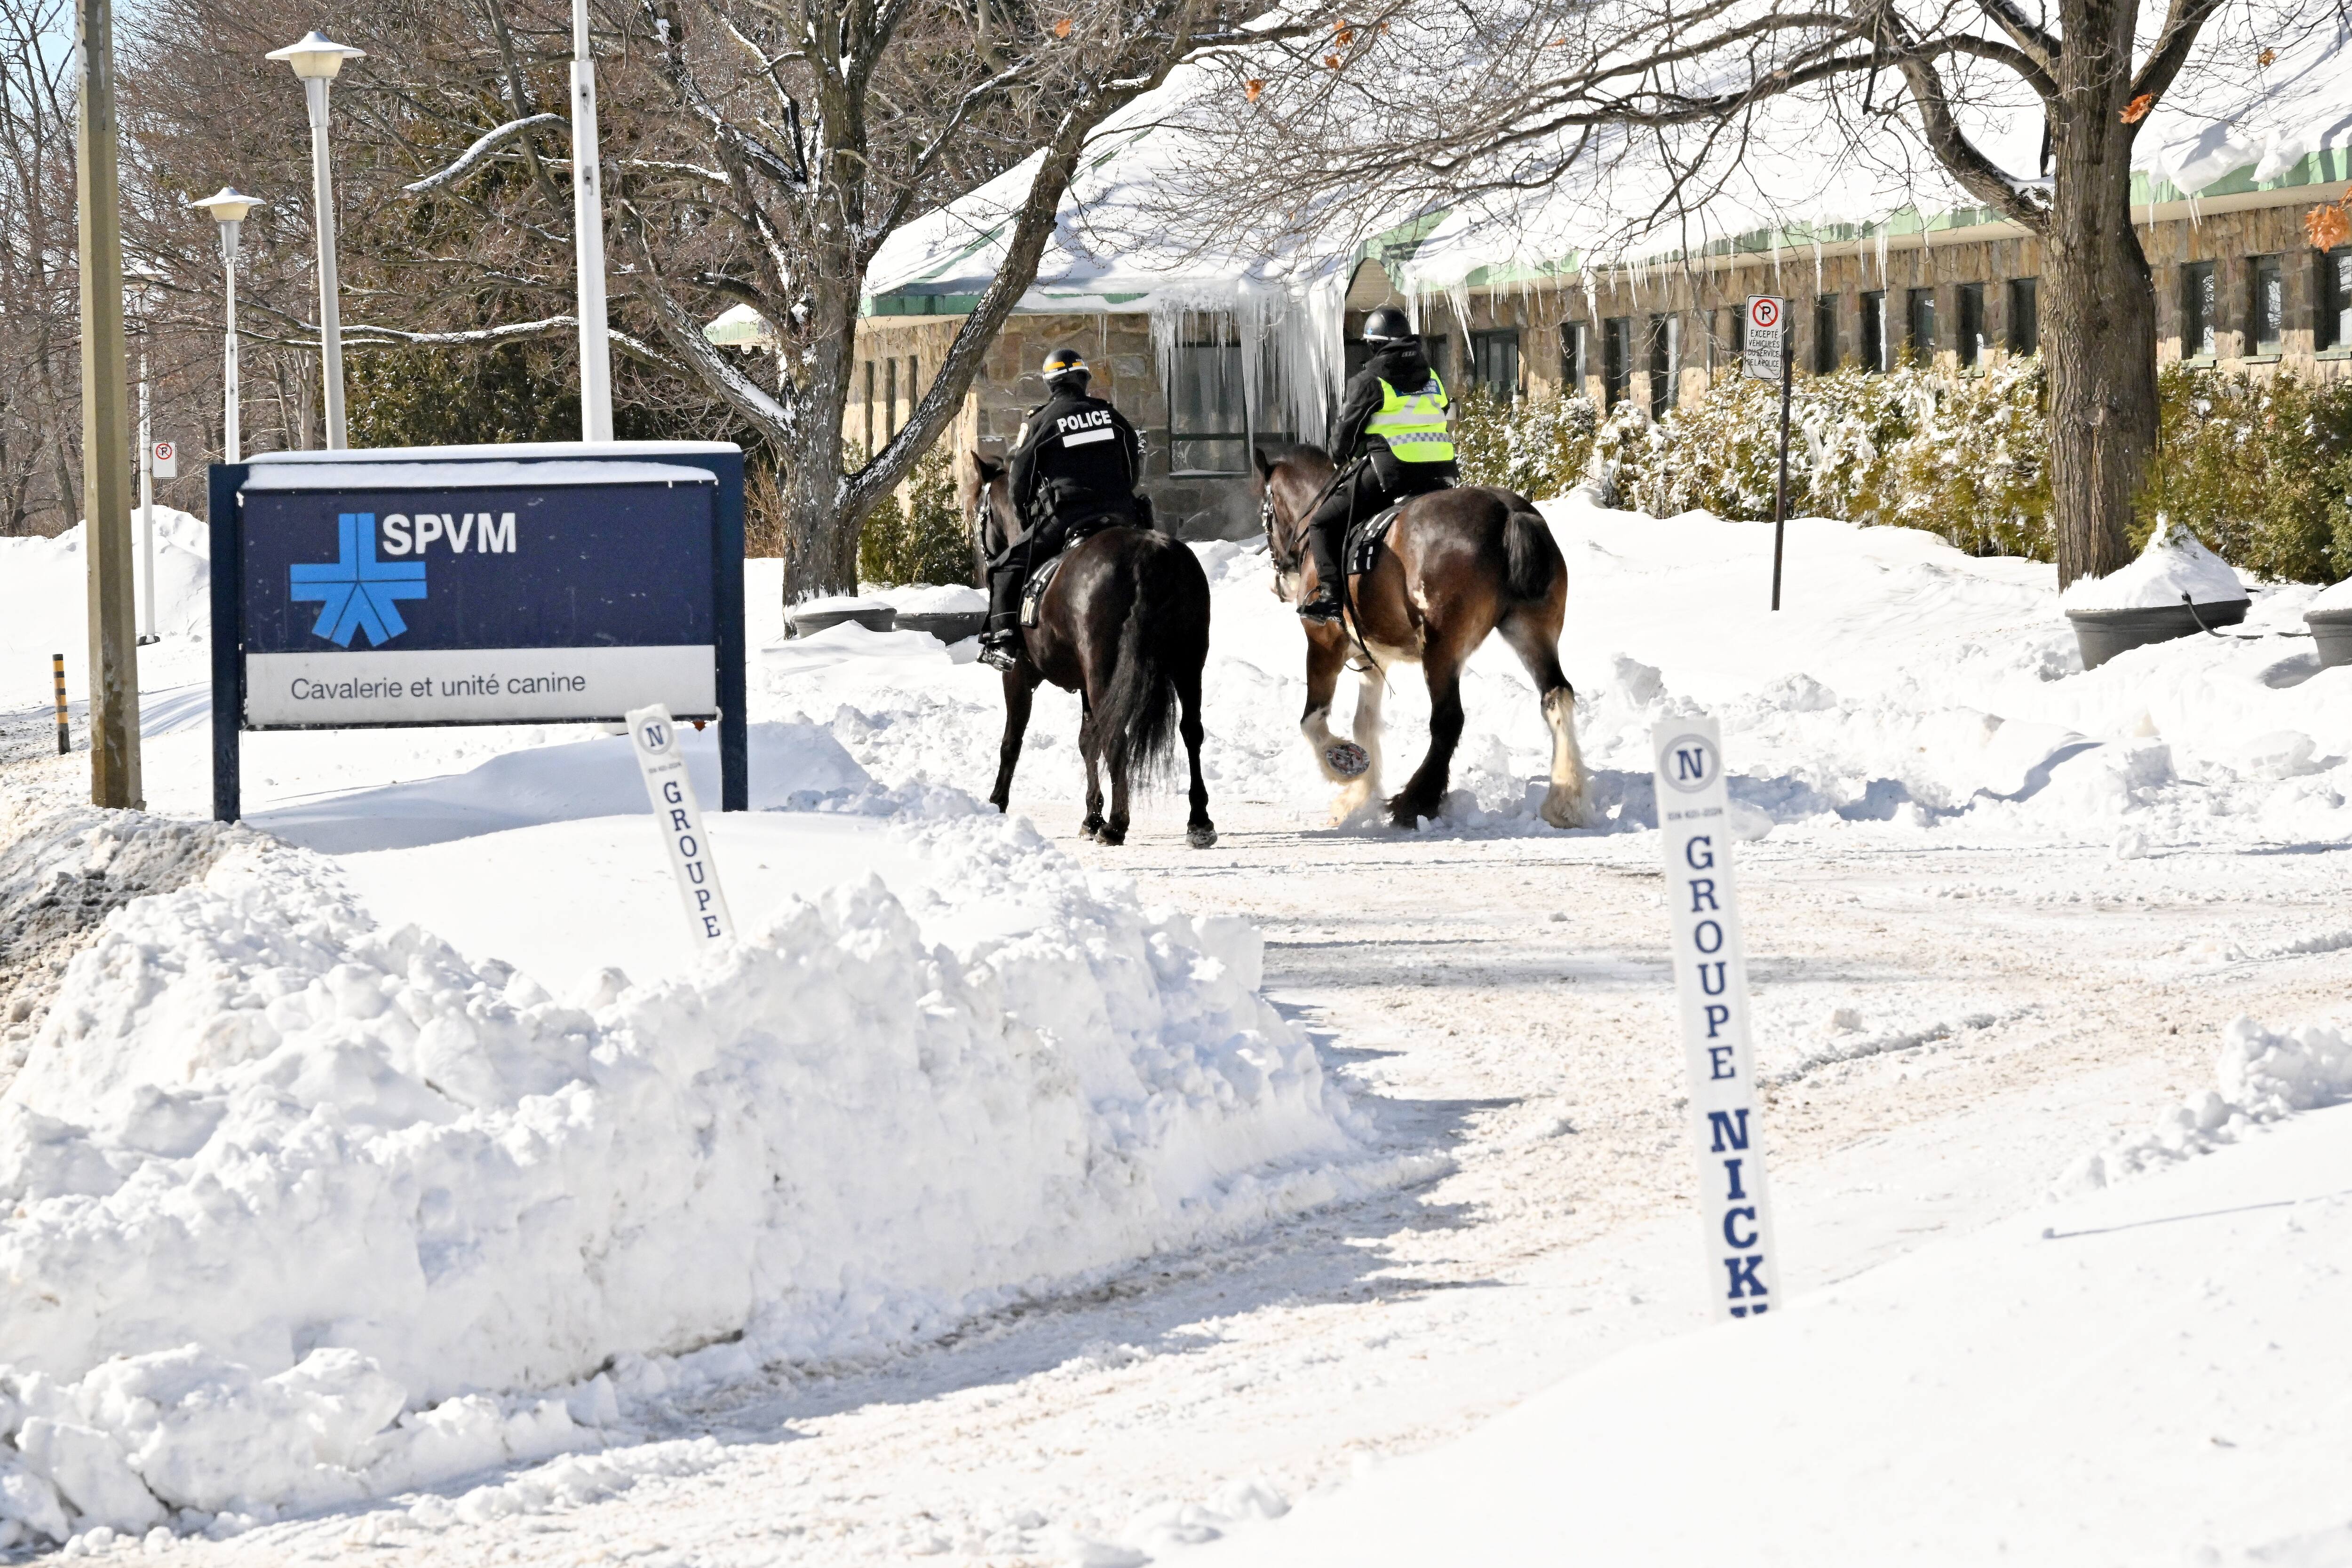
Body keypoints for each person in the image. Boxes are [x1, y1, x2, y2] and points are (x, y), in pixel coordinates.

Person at [978, 347, 1150, 670]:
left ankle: (1002, 639)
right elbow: (1132, 469)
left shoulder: (1041, 421)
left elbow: (1019, 482)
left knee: (1006, 566)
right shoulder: (1112, 416)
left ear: (1051, 384)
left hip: (1068, 516)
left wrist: (1028, 517)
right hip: (1123, 513)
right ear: (1084, 379)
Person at [1298, 304, 1457, 625]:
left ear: (1374, 344)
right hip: (1442, 472)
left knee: (1322, 524)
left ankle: (1330, 597)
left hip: (1395, 472)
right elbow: (1438, 412)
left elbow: (1343, 441)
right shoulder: (1433, 377)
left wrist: (1341, 455)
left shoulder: (1370, 380)